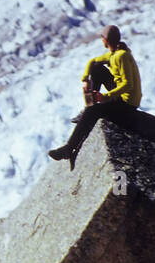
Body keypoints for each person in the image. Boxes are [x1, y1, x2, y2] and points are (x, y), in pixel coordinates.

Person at [48, 25, 142, 161]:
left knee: (94, 111)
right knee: (97, 68)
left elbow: (128, 84)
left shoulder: (122, 56)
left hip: (127, 104)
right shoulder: (113, 53)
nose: (101, 40)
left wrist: (106, 96)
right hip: (120, 96)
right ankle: (90, 103)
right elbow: (92, 62)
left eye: (102, 38)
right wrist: (86, 79)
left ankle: (69, 148)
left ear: (106, 40)